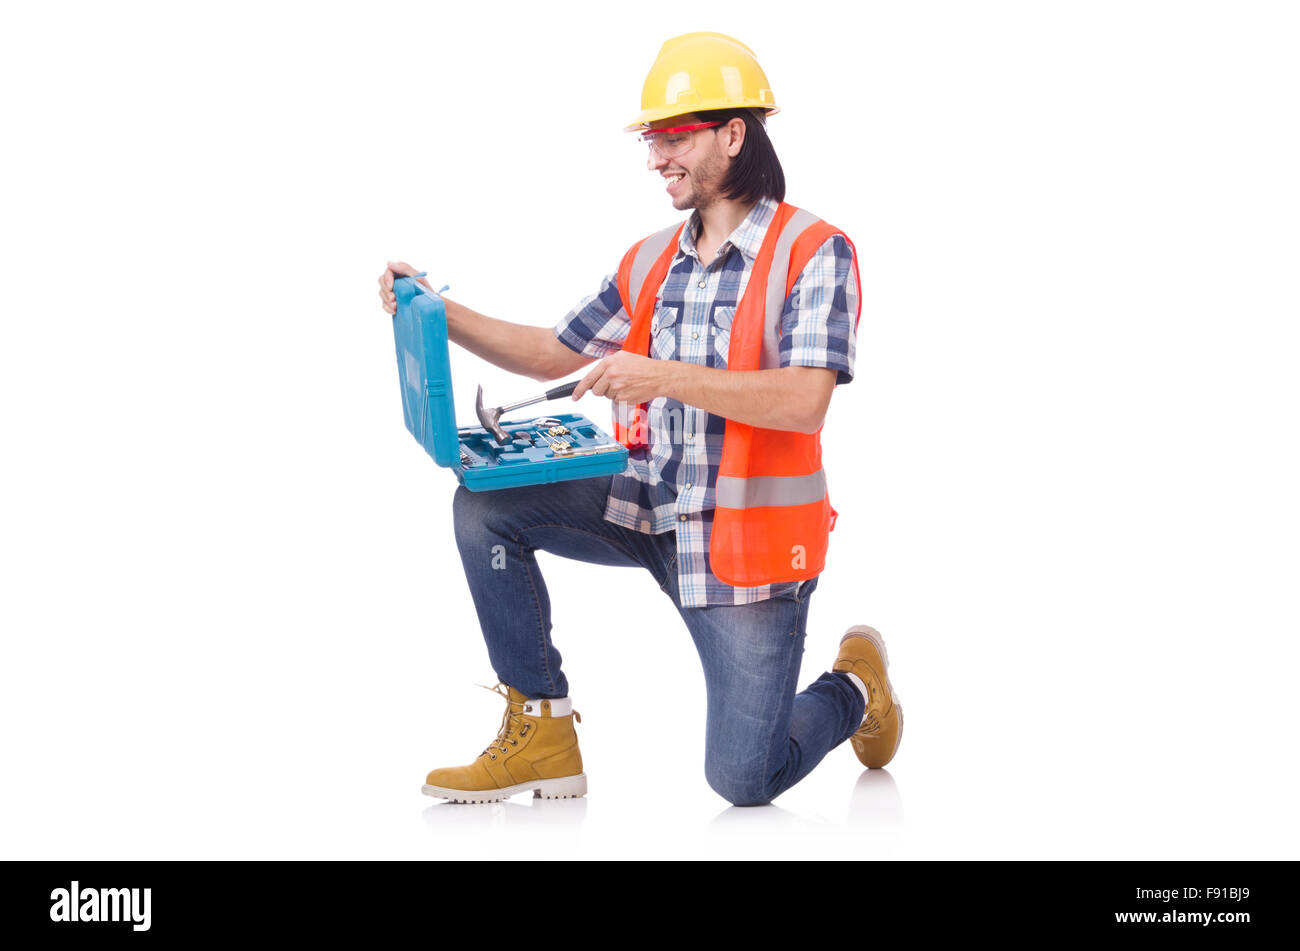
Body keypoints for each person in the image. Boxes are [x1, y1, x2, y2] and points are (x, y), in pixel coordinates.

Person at [377, 32, 902, 806]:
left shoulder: (815, 251)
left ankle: (855, 683)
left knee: (744, 778)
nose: (656, 156)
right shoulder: (651, 258)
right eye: (652, 139)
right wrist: (437, 309)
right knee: (485, 506)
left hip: (744, 550)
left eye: (673, 136)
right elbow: (555, 352)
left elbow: (804, 398)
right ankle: (544, 731)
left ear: (733, 134)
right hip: (647, 508)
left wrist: (660, 376)